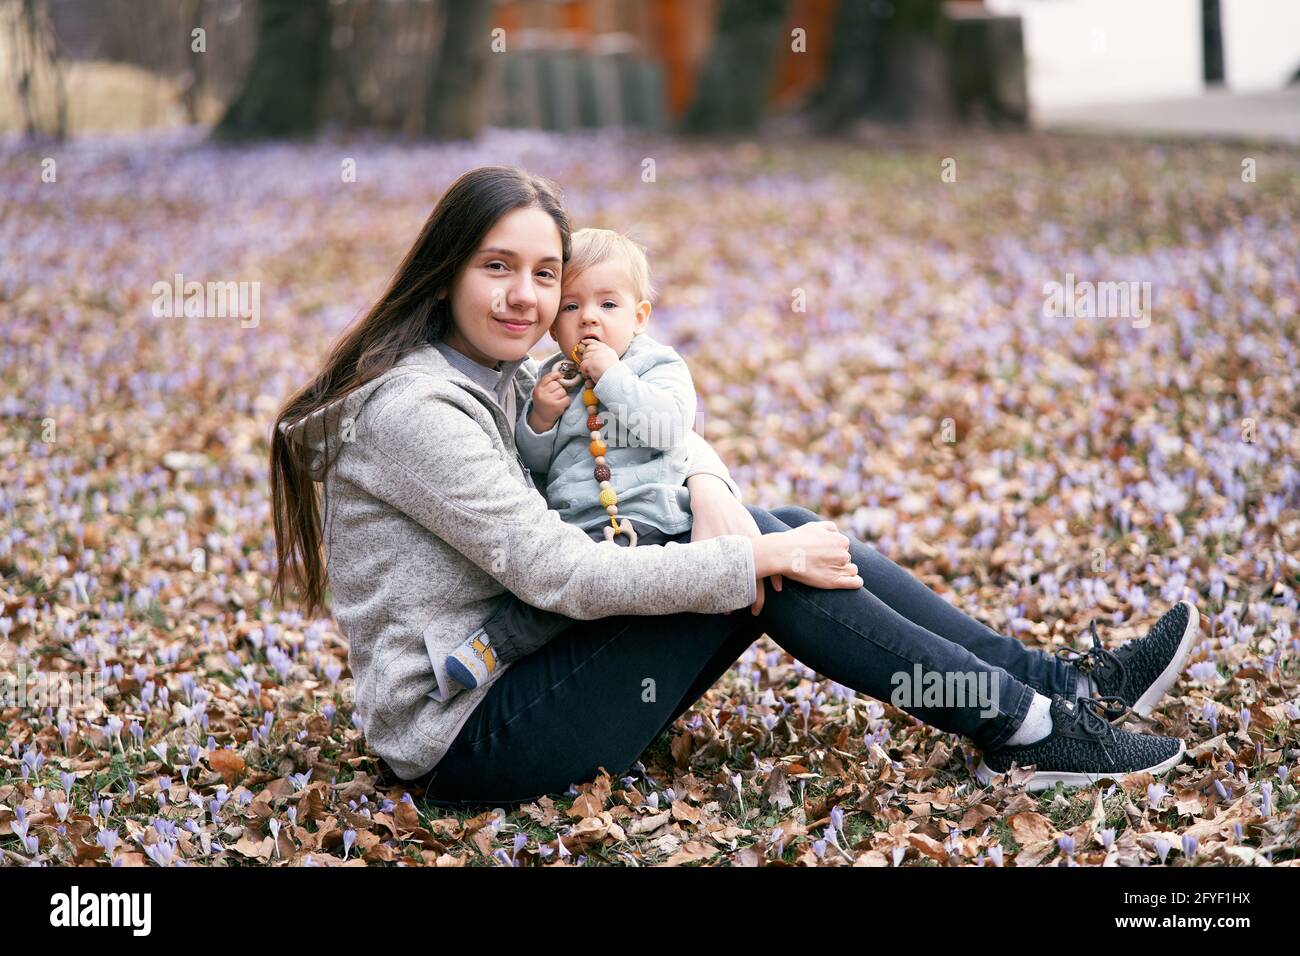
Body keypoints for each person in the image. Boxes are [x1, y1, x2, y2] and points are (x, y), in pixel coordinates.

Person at [269, 165, 1201, 807]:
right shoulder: (417, 414)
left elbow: (649, 443)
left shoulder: (504, 371)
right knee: (771, 561)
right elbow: (562, 575)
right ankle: (1032, 727)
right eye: (497, 268)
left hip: (530, 663)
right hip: (473, 735)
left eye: (545, 274)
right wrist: (743, 554)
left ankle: (1059, 689)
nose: (526, 296)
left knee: (776, 530)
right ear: (446, 272)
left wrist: (714, 487)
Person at [441, 226, 719, 694]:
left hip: (643, 517)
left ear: (639, 316)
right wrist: (541, 419)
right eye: (572, 306)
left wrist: (611, 376)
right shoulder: (556, 375)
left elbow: (668, 429)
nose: (589, 319)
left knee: (552, 602)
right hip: (574, 526)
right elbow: (536, 465)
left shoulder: (656, 366)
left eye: (608, 305)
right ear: (552, 326)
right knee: (552, 587)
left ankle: (496, 644)